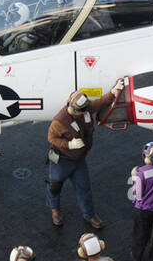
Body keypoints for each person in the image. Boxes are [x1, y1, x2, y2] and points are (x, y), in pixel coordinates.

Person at [46, 78, 125, 229]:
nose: (86, 112)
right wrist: (68, 144)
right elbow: (51, 138)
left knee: (84, 188)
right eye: (82, 111)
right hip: (62, 161)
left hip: (79, 160)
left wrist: (113, 93)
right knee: (54, 187)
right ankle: (55, 210)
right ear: (75, 110)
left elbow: (100, 102)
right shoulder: (59, 122)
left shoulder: (85, 109)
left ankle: (89, 214)